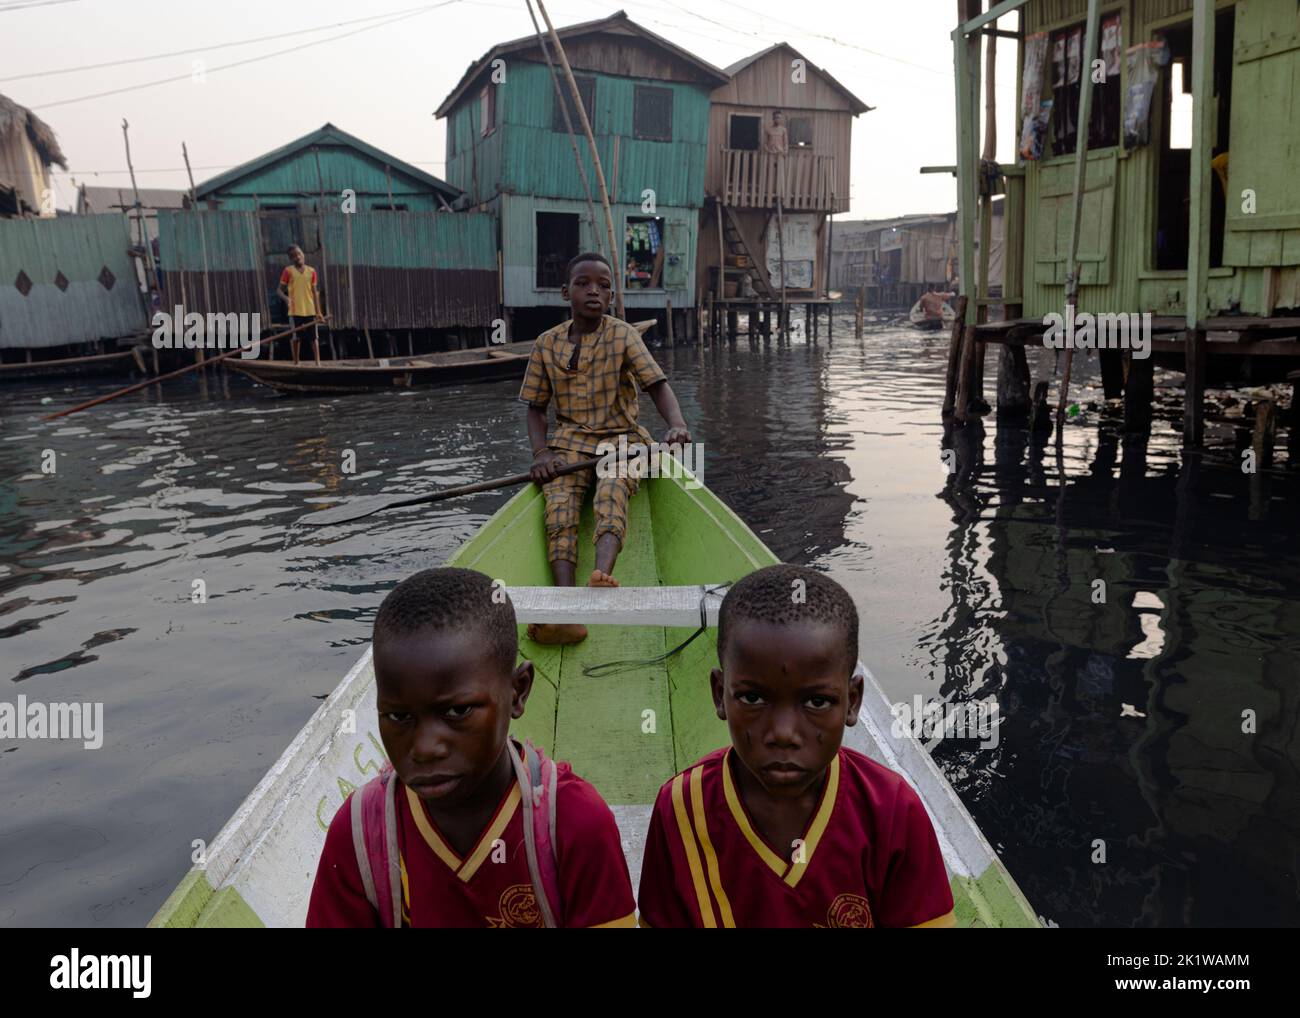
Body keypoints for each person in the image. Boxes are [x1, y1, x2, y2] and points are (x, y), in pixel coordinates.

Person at [305, 567, 637, 927]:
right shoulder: (360, 835)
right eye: (399, 717)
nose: (425, 748)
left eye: (458, 711)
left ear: (518, 692)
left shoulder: (576, 824)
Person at [636, 564, 956, 928]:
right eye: (753, 697)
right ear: (719, 695)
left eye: (817, 702)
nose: (784, 733)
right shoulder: (681, 808)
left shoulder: (892, 812)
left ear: (852, 702)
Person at [518, 252, 690, 645]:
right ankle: (565, 609)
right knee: (559, 503)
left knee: (612, 486)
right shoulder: (546, 344)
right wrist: (541, 454)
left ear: (611, 295)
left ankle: (601, 577)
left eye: (604, 285)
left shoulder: (624, 335)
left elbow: (657, 386)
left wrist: (677, 425)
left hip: (622, 439)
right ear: (566, 292)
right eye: (584, 283)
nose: (594, 290)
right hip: (570, 443)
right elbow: (535, 409)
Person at [276, 244, 322, 360]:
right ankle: (296, 362)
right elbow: (279, 290)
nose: (298, 257)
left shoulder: (312, 271)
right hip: (295, 310)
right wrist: (286, 299)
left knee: (314, 338)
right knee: (296, 338)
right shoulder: (288, 271)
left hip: (310, 310)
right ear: (291, 259)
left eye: (299, 254)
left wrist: (319, 312)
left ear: (303, 254)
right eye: (294, 256)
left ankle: (318, 363)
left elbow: (314, 293)